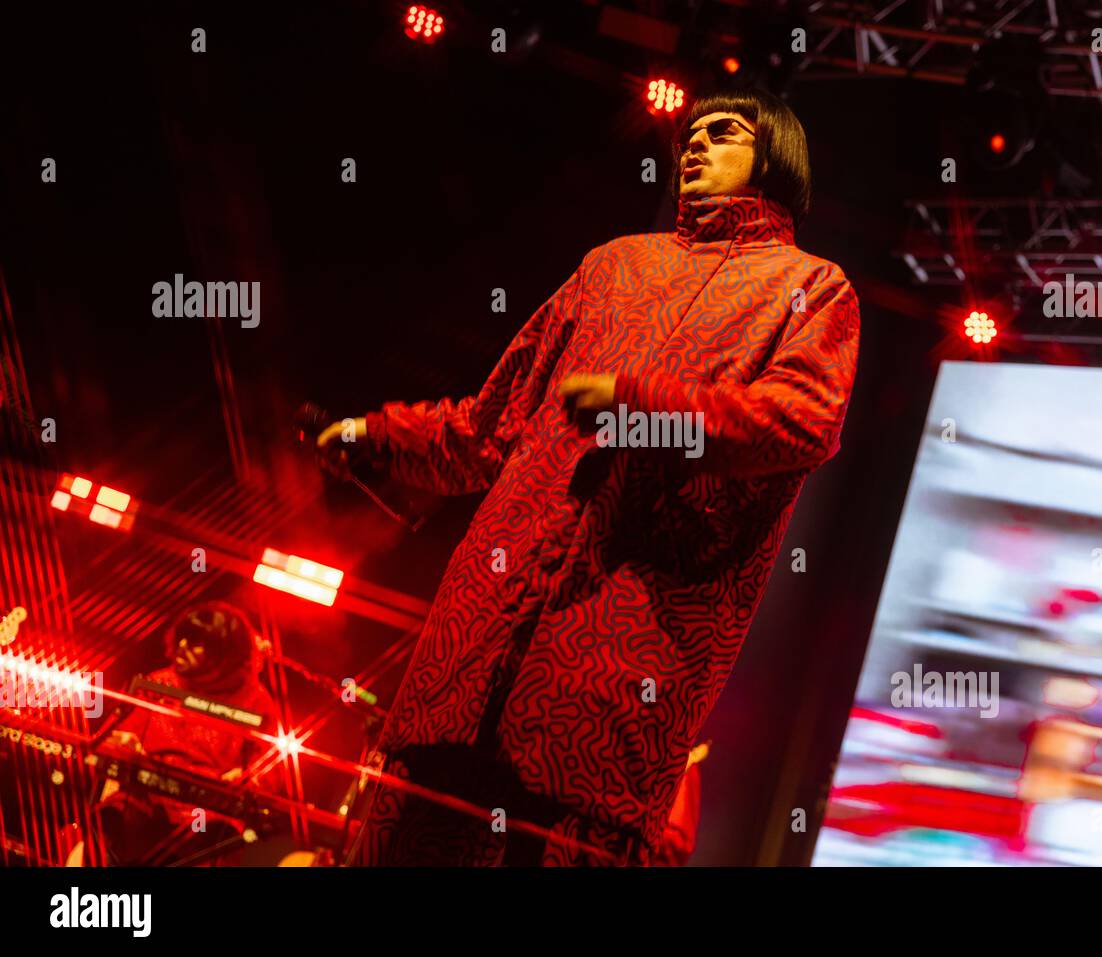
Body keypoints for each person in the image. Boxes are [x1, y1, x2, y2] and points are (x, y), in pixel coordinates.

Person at [319, 88, 860, 866]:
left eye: (724, 132)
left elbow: (802, 421)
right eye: (690, 135)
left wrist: (636, 408)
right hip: (470, 654)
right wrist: (378, 435)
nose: (695, 147)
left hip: (615, 674)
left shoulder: (811, 288)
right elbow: (487, 426)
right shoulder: (613, 265)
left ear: (777, 156)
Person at [81, 601, 278, 865]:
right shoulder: (159, 682)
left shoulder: (257, 702)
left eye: (196, 642)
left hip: (209, 813)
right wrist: (125, 746)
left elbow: (270, 770)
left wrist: (249, 780)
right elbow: (118, 740)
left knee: (213, 837)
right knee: (108, 819)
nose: (182, 646)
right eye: (182, 638)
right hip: (145, 796)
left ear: (226, 653)